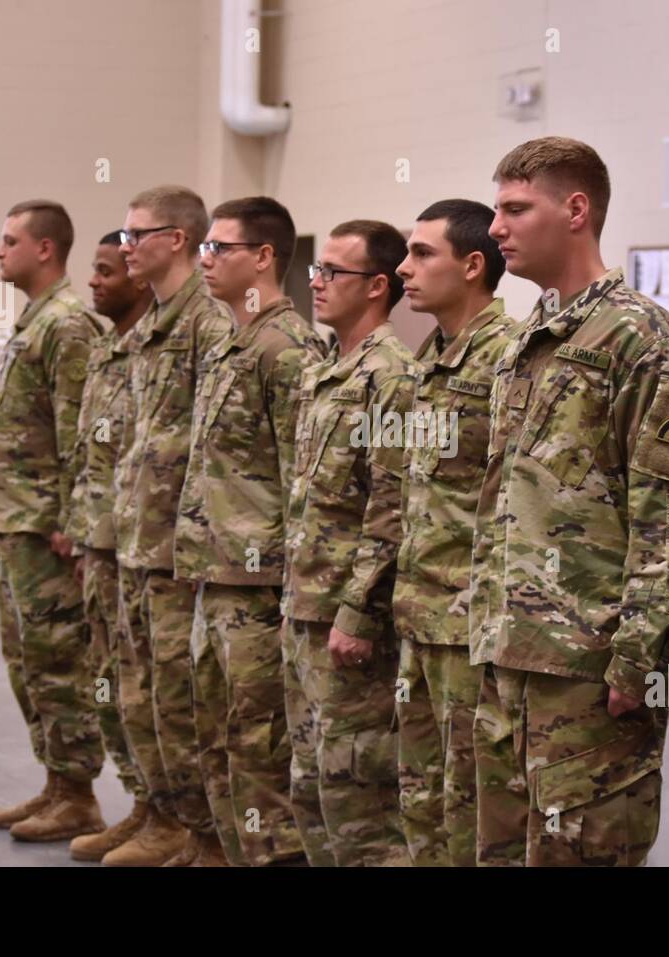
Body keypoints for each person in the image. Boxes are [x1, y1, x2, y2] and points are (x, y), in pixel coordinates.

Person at [470, 137, 669, 866]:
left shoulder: (643, 339)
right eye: (495, 209)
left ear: (576, 210)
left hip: (590, 667)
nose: (496, 228)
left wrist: (639, 659)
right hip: (510, 654)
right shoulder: (528, 341)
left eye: (516, 208)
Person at [174, 196, 327, 866]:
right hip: (219, 574)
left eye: (220, 248)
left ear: (264, 258)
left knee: (262, 747)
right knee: (219, 737)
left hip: (262, 588)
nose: (204, 260)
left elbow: (306, 482)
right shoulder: (233, 338)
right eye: (204, 247)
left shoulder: (289, 348)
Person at [281, 220, 418, 866]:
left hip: (346, 621)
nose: (317, 281)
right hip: (304, 611)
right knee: (308, 787)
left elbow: (390, 506)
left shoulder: (390, 377)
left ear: (376, 287)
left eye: (332, 272)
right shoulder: (327, 371)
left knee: (358, 795)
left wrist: (359, 609)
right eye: (317, 270)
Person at [105, 186, 233, 867]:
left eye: (138, 233)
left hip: (180, 550)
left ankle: (202, 831)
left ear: (178, 238)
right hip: (139, 540)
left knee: (183, 700)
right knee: (142, 695)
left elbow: (218, 446)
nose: (125, 245)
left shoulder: (207, 324)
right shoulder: (153, 323)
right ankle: (160, 813)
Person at [0, 200, 109, 842]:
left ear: (46, 249)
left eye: (9, 241)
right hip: (14, 517)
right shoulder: (34, 319)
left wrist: (71, 519)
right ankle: (56, 782)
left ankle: (79, 794)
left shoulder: (69, 324)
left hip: (44, 524)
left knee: (58, 659)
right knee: (25, 658)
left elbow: (79, 429)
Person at [391, 199, 514, 866]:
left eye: (422, 254)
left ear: (472, 265)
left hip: (471, 625)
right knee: (421, 799)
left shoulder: (509, 358)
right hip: (421, 615)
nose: (405, 268)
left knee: (473, 810)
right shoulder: (429, 358)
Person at [65, 231, 155, 862]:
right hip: (102, 538)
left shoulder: (163, 346)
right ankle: (141, 808)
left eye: (106, 271)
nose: (93, 281)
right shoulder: (107, 348)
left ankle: (167, 816)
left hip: (143, 547)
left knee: (149, 691)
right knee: (110, 681)